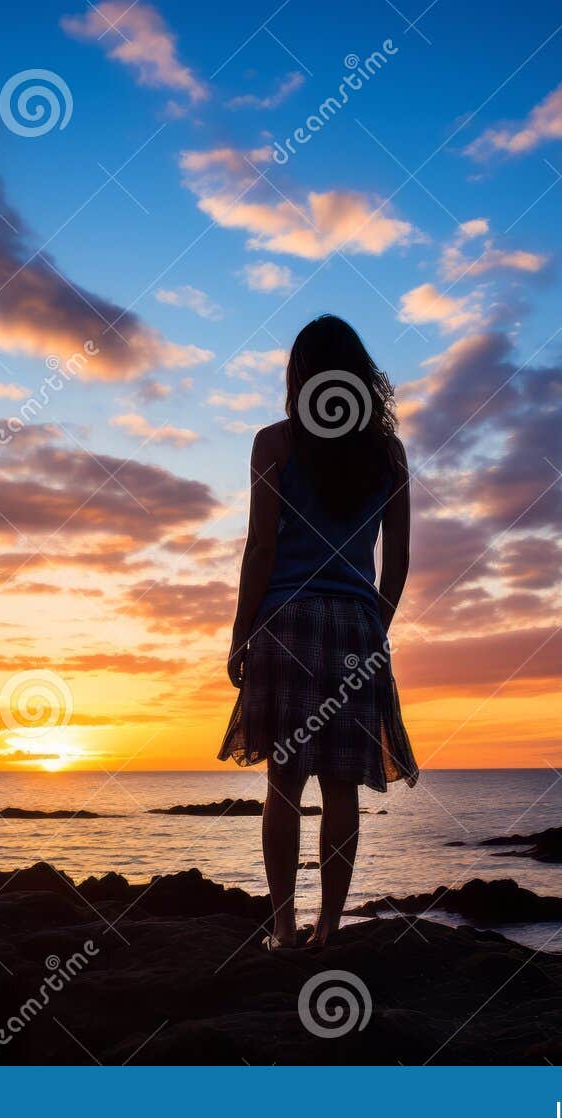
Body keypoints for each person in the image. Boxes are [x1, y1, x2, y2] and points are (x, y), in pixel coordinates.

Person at [218, 314, 418, 950]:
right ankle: (328, 928)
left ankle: (282, 927)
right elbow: (400, 561)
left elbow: (259, 552)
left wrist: (240, 635)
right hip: (356, 626)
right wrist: (371, 626)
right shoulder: (386, 453)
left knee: (283, 784)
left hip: (285, 622)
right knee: (340, 790)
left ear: (298, 375)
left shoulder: (273, 443)